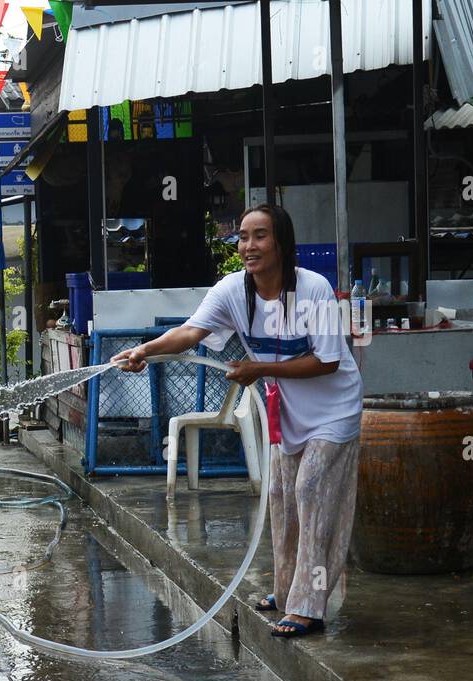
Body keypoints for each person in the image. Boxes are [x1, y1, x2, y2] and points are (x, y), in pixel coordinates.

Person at [112, 203, 362, 639]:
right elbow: (190, 333)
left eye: (260, 236)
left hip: (333, 410)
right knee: (282, 501)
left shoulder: (314, 289)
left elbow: (327, 361)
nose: (249, 245)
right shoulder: (232, 290)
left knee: (312, 494)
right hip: (288, 412)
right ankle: (287, 593)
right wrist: (145, 351)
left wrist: (260, 369)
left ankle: (310, 606)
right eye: (243, 237)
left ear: (282, 243)